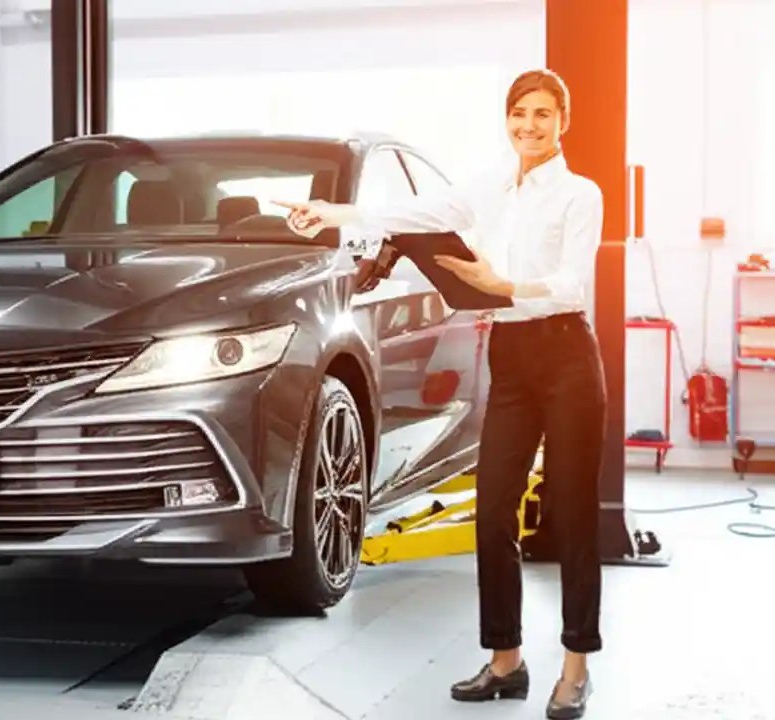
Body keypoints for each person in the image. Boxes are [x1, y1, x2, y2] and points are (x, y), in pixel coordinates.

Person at [276, 68, 605, 720]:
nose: (530, 127)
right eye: (520, 114)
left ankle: (575, 667)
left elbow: (571, 285)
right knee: (491, 515)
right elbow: (413, 213)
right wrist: (335, 213)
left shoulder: (580, 194)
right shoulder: (488, 188)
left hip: (567, 355)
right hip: (512, 358)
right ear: (506, 119)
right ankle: (506, 660)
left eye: (543, 115)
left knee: (572, 517)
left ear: (562, 121)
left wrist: (500, 282)